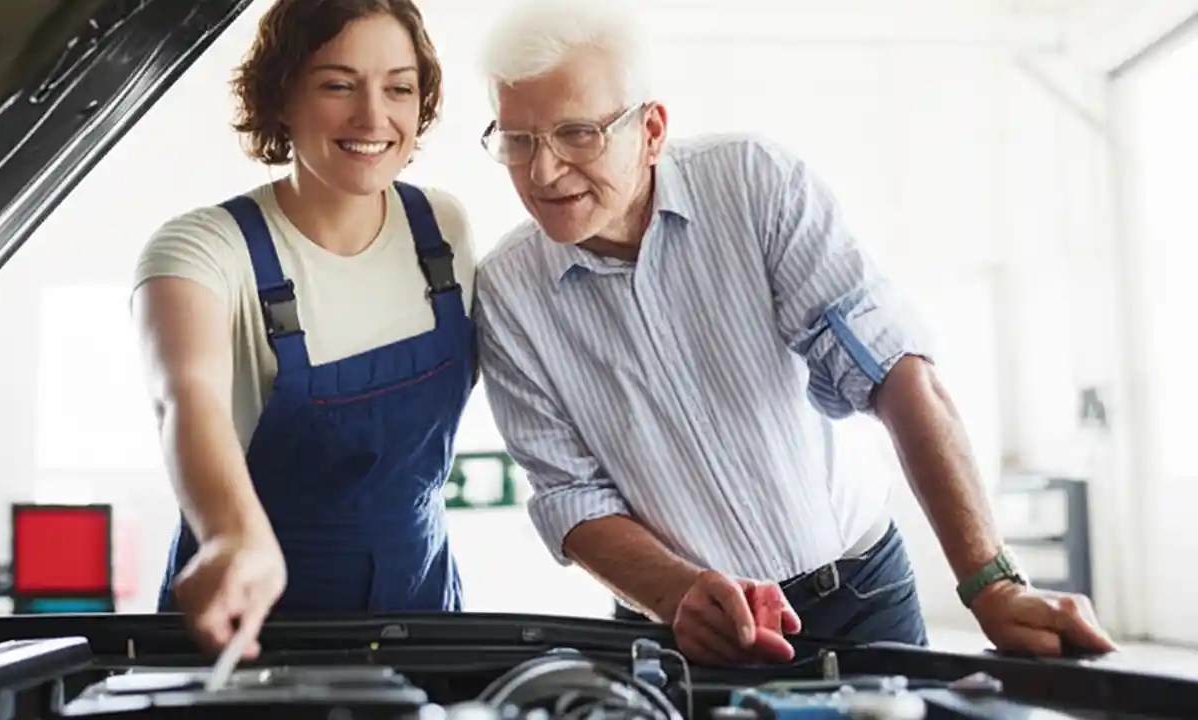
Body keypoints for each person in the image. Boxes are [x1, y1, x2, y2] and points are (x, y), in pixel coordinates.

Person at [471, 0, 1118, 666]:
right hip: (683, 623)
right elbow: (571, 494)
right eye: (518, 141)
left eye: (578, 133)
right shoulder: (508, 293)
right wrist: (680, 594)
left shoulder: (754, 184)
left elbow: (893, 371)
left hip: (858, 595)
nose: (542, 172)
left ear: (653, 129)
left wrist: (993, 584)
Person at [131, 0, 476, 659]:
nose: (374, 117)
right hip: (258, 632)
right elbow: (186, 396)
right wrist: (233, 537)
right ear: (282, 96)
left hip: (428, 625)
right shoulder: (204, 249)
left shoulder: (443, 229)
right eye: (338, 85)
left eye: (399, 88)